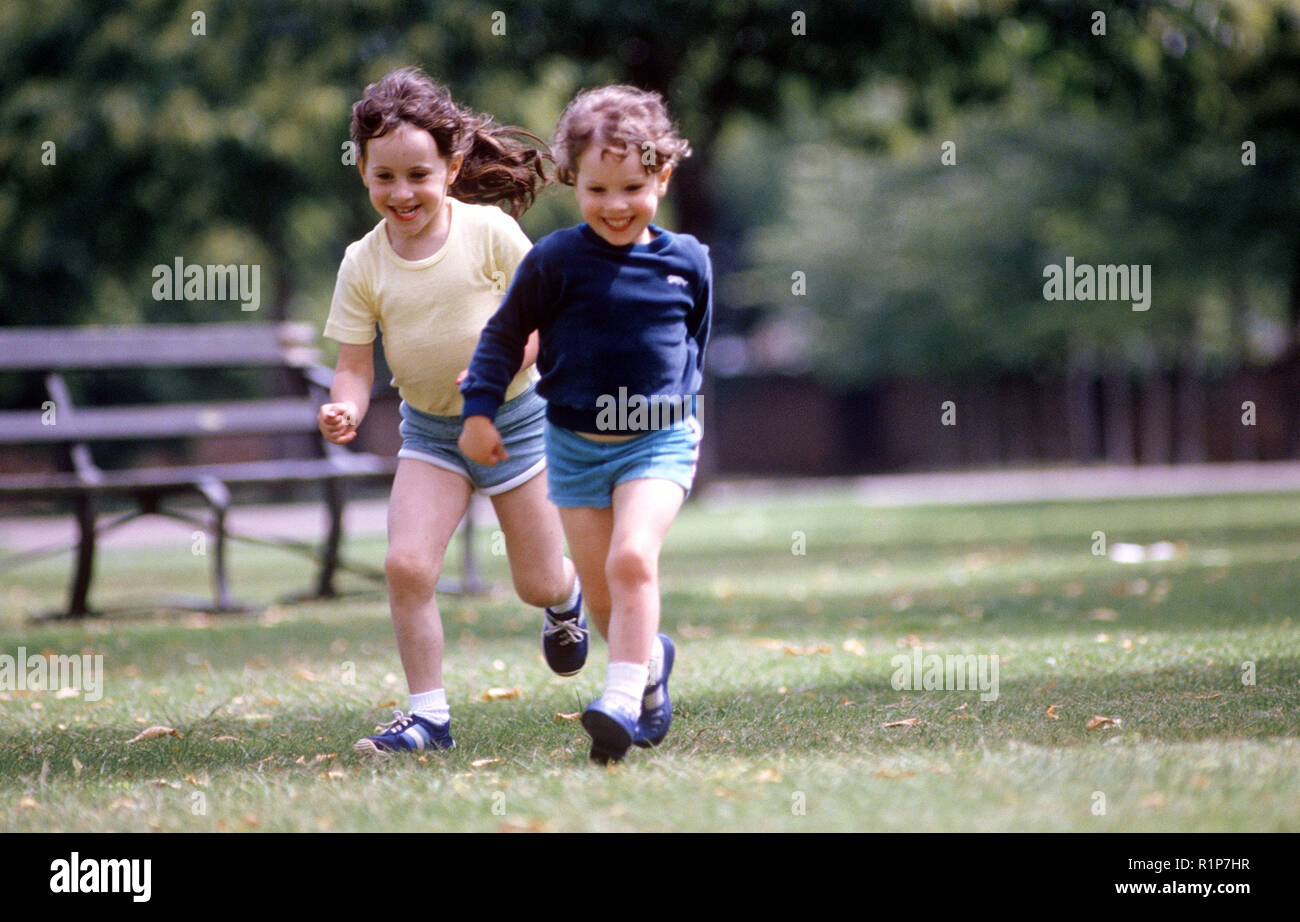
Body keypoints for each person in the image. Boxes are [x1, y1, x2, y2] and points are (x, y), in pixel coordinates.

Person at [317, 67, 587, 756]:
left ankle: (566, 601)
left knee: (536, 581)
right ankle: (429, 719)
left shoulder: (490, 232)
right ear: (362, 171)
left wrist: (506, 365)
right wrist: (342, 409)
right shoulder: (362, 262)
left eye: (417, 174)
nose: (401, 193)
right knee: (407, 566)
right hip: (432, 435)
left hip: (514, 427)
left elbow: (543, 322)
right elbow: (354, 367)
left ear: (452, 165)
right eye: (384, 177)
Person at [459, 85, 711, 763]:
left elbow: (693, 344)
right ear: (573, 181)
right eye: (598, 189)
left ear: (662, 176)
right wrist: (479, 410)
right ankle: (649, 672)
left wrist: (681, 411)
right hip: (572, 446)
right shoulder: (554, 262)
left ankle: (620, 703)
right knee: (600, 594)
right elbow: (503, 339)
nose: (616, 205)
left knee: (633, 560)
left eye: (633, 186)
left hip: (658, 440)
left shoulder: (688, 262)